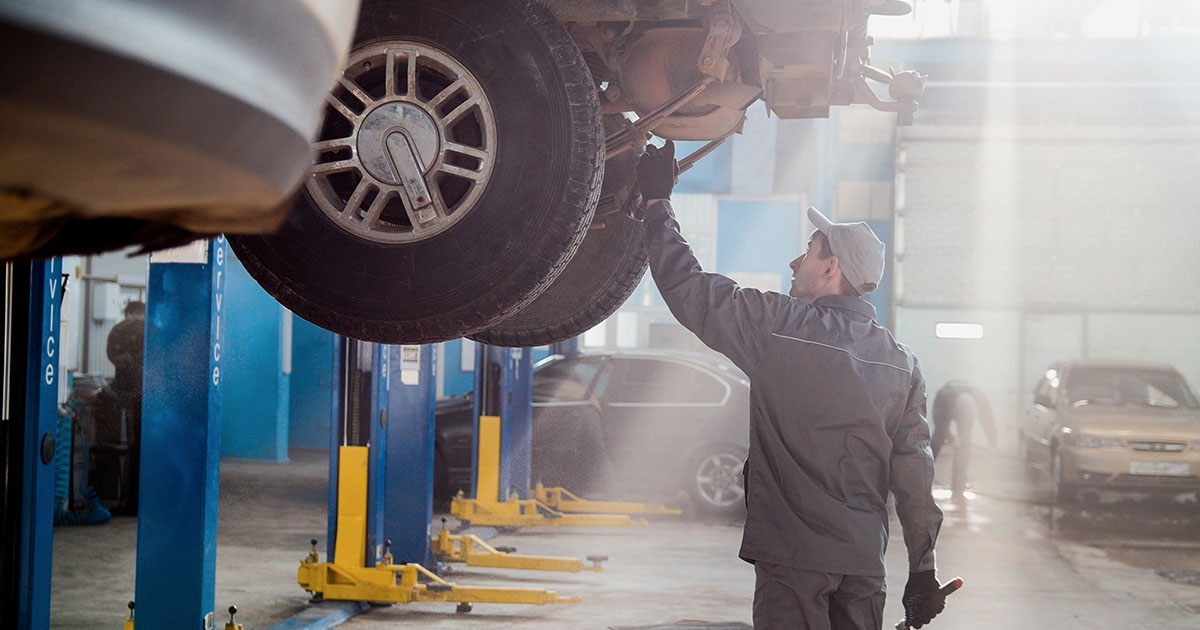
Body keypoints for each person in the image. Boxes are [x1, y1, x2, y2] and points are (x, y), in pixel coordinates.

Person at [637, 141, 945, 630]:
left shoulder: (779, 327)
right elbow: (915, 477)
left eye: (807, 251)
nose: (793, 262)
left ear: (832, 267)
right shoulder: (902, 364)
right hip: (864, 567)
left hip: (795, 563)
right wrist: (923, 572)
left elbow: (689, 287)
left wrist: (657, 205)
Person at [105, 299, 145, 514]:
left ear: (128, 312)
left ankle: (131, 504)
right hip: (156, 398)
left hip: (132, 396)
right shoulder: (156, 328)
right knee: (149, 447)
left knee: (134, 447)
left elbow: (115, 357)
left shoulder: (121, 329)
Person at [930, 381, 996, 506]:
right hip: (947, 402)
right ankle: (923, 475)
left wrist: (992, 442)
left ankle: (958, 485)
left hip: (964, 405)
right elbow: (940, 424)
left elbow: (988, 421)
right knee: (938, 438)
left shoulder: (980, 400)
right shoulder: (943, 400)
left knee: (964, 446)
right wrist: (951, 438)